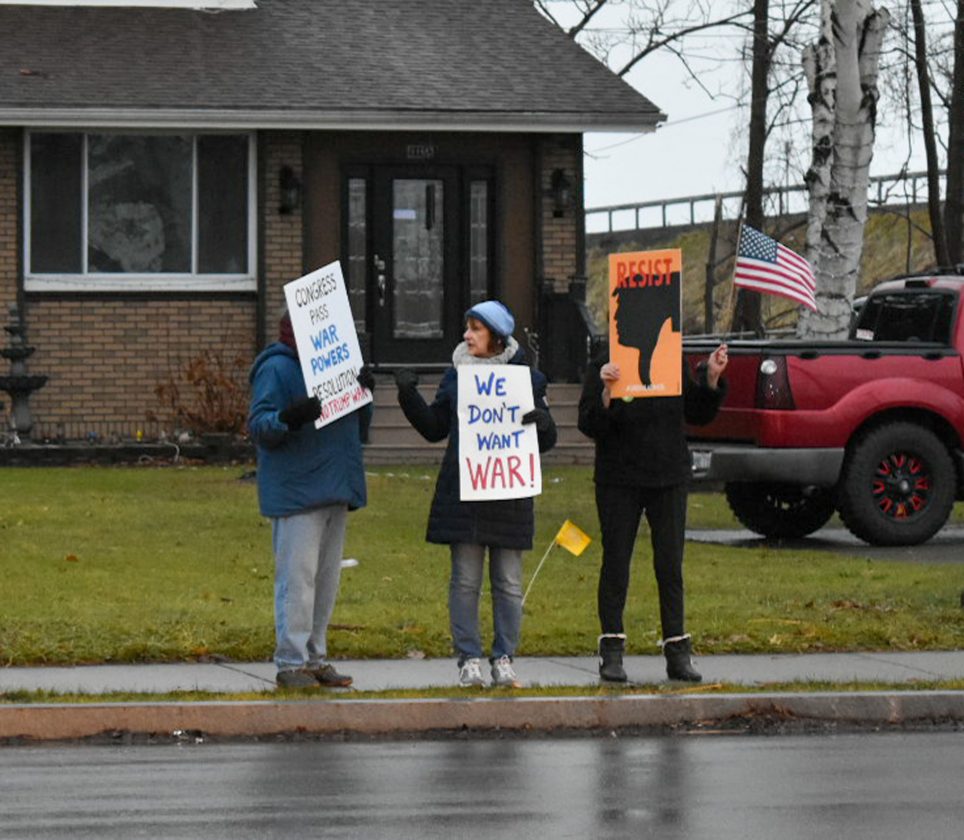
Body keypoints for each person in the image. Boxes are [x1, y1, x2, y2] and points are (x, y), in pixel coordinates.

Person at [394, 300, 557, 688]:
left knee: (508, 582)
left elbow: (546, 440)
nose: (467, 336)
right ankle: (469, 659)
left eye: (476, 329)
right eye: (467, 328)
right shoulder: (455, 379)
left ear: (497, 338)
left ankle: (504, 657)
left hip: (509, 494)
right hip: (465, 496)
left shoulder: (528, 381)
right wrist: (407, 395)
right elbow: (434, 428)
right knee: (465, 581)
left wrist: (544, 423)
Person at [578, 339, 728, 683]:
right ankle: (611, 650)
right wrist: (606, 393)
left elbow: (697, 413)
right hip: (619, 477)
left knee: (670, 565)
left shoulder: (670, 356)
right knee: (616, 562)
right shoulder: (605, 359)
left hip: (668, 474)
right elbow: (588, 422)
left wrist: (712, 379)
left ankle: (677, 651)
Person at [247, 309, 374, 690]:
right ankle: (291, 662)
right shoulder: (277, 368)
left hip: (331, 483)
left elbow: (357, 426)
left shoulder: (336, 367)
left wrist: (364, 393)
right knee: (298, 580)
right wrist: (290, 416)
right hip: (299, 489)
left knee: (324, 581)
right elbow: (259, 425)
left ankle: (314, 658)